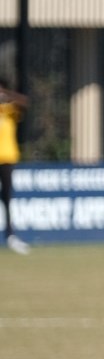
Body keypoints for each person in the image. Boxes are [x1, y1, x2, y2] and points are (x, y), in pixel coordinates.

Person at [0, 82, 28, 254]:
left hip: (7, 159)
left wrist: (6, 93)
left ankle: (11, 236)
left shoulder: (9, 110)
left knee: (7, 198)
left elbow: (25, 102)